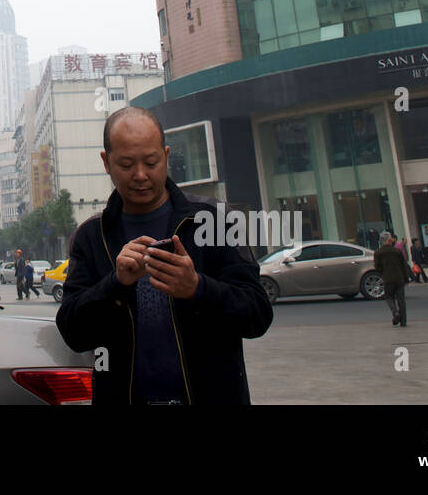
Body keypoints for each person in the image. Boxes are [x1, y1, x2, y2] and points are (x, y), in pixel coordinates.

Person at [56, 107, 272, 404]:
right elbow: (73, 331)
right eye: (127, 164)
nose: (141, 175)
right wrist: (115, 284)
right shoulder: (92, 236)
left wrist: (197, 288)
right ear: (106, 162)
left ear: (167, 156)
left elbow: (257, 315)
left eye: (151, 162)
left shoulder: (216, 220)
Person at [375, 231, 410, 326]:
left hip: (387, 278)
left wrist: (383, 272)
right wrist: (406, 279)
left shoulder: (378, 253)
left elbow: (377, 267)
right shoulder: (397, 251)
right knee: (401, 300)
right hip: (399, 278)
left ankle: (395, 312)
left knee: (389, 297)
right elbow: (404, 266)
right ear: (390, 240)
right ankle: (403, 321)